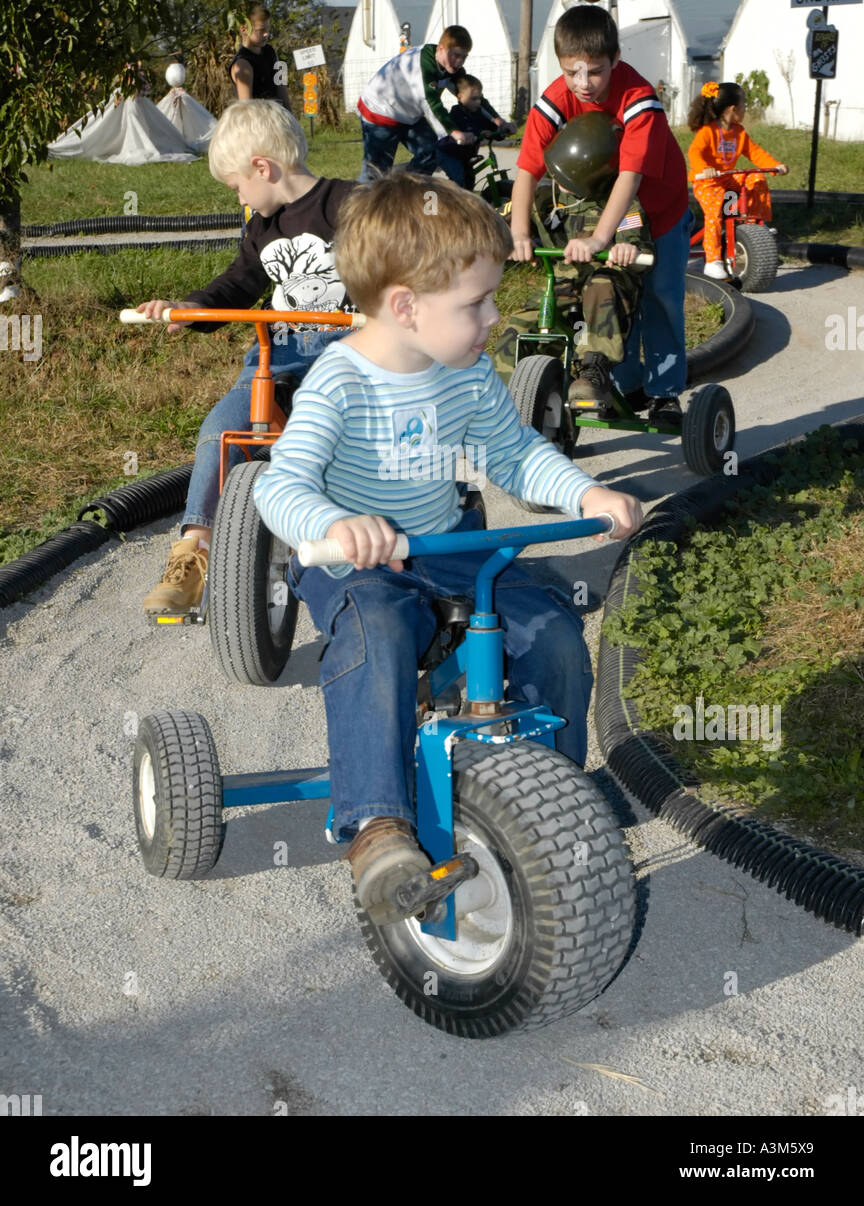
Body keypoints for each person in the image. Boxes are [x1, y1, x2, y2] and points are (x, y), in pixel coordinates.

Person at [252, 173, 643, 925]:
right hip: (360, 565)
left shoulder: (466, 373)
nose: (495, 317)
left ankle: (548, 796)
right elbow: (281, 484)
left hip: (448, 547)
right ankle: (376, 829)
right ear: (405, 306)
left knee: (552, 627)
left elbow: (515, 453)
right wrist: (337, 527)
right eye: (476, 304)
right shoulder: (339, 382)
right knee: (381, 630)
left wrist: (585, 494)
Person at [138, 100, 356, 617]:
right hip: (275, 353)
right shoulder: (263, 227)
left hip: (348, 352)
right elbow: (239, 283)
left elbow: (397, 256)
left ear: (262, 167)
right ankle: (195, 550)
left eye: (237, 185)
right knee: (222, 429)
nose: (238, 196)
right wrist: (190, 308)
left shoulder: (351, 204)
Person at [509, 5, 691, 428]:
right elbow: (526, 169)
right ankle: (623, 384)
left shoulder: (638, 100)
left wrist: (600, 240)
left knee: (659, 299)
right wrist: (519, 232)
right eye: (573, 72)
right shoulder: (555, 99)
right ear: (560, 65)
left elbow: (629, 177)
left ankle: (665, 393)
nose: (583, 83)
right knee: (607, 296)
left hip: (658, 211)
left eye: (595, 71)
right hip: (599, 209)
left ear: (616, 60)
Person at [493, 112, 652, 407]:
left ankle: (593, 369)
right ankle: (497, 403)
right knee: (517, 329)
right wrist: (512, 240)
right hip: (563, 283)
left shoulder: (621, 203)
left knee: (602, 285)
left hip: (608, 284)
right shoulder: (545, 197)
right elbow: (501, 220)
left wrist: (625, 251)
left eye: (570, 179)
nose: (560, 184)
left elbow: (636, 241)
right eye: (556, 173)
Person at [357, 25, 510, 182]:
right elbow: (432, 104)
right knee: (376, 173)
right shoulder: (423, 67)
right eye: (456, 55)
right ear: (441, 49)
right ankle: (354, 204)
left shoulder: (451, 67)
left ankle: (406, 191)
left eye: (464, 57)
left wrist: (498, 120)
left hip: (408, 115)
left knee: (431, 151)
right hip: (380, 112)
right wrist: (454, 132)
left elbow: (471, 94)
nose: (459, 62)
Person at [688, 81, 787, 279]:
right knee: (715, 210)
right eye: (744, 107)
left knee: (754, 179)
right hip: (708, 182)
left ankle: (754, 225)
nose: (745, 110)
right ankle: (713, 260)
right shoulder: (708, 131)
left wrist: (775, 165)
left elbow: (755, 152)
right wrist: (704, 169)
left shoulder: (739, 132)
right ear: (733, 109)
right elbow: (695, 152)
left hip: (727, 179)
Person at [436, 73, 511, 190]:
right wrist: (480, 132)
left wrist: (502, 131)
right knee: (459, 180)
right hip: (450, 153)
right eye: (473, 99)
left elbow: (492, 127)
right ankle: (452, 205)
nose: (478, 102)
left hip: (466, 156)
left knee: (469, 182)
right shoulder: (457, 114)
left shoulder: (479, 114)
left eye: (480, 98)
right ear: (460, 96)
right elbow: (466, 129)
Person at [229, 4, 291, 108]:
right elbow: (246, 107)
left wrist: (291, 118)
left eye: (268, 29)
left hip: (277, 116)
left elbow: (281, 87)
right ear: (244, 29)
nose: (266, 34)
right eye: (261, 30)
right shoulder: (242, 63)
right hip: (258, 120)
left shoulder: (270, 52)